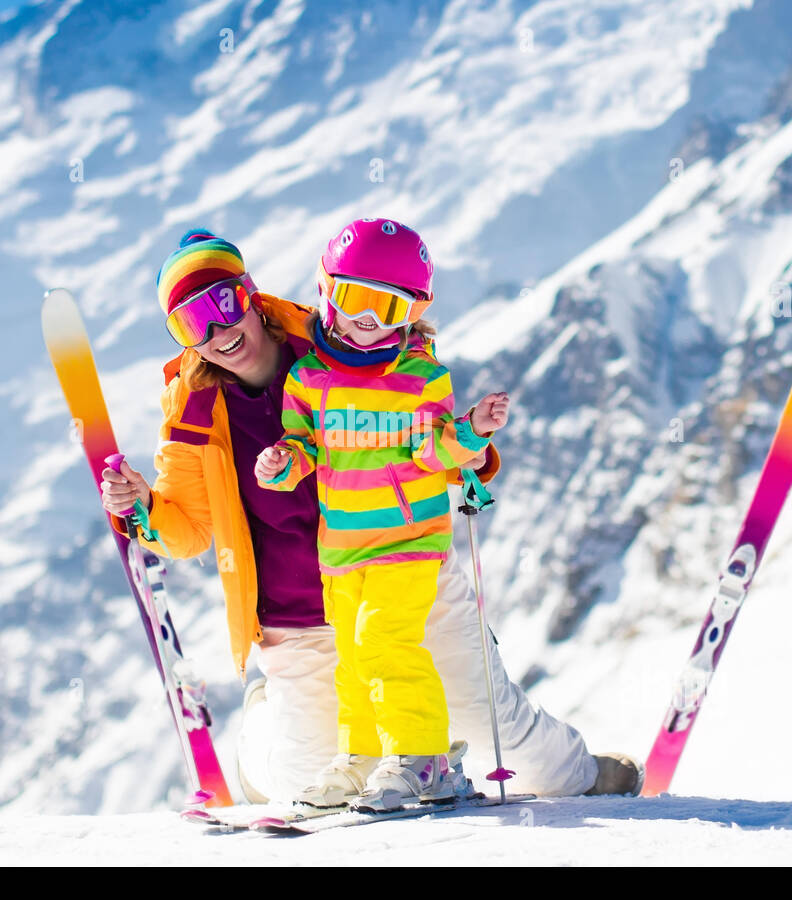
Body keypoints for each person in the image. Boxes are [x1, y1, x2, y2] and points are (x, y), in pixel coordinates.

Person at [101, 227, 644, 805]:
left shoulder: (338, 338)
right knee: (305, 780)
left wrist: (468, 454)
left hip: (406, 570)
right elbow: (188, 531)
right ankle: (262, 732)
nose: (216, 332)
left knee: (489, 724)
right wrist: (140, 509)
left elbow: (419, 419)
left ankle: (584, 775)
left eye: (223, 305)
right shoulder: (194, 411)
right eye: (191, 324)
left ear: (250, 295)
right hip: (301, 615)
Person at [253, 219, 510, 809]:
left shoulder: (421, 378)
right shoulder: (308, 380)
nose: (368, 320)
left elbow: (435, 449)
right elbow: (305, 447)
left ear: (412, 312)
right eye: (356, 299)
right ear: (326, 292)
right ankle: (363, 757)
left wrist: (472, 430)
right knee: (353, 653)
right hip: (341, 546)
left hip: (407, 540)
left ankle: (425, 759)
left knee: (383, 640)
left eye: (387, 306)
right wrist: (282, 462)